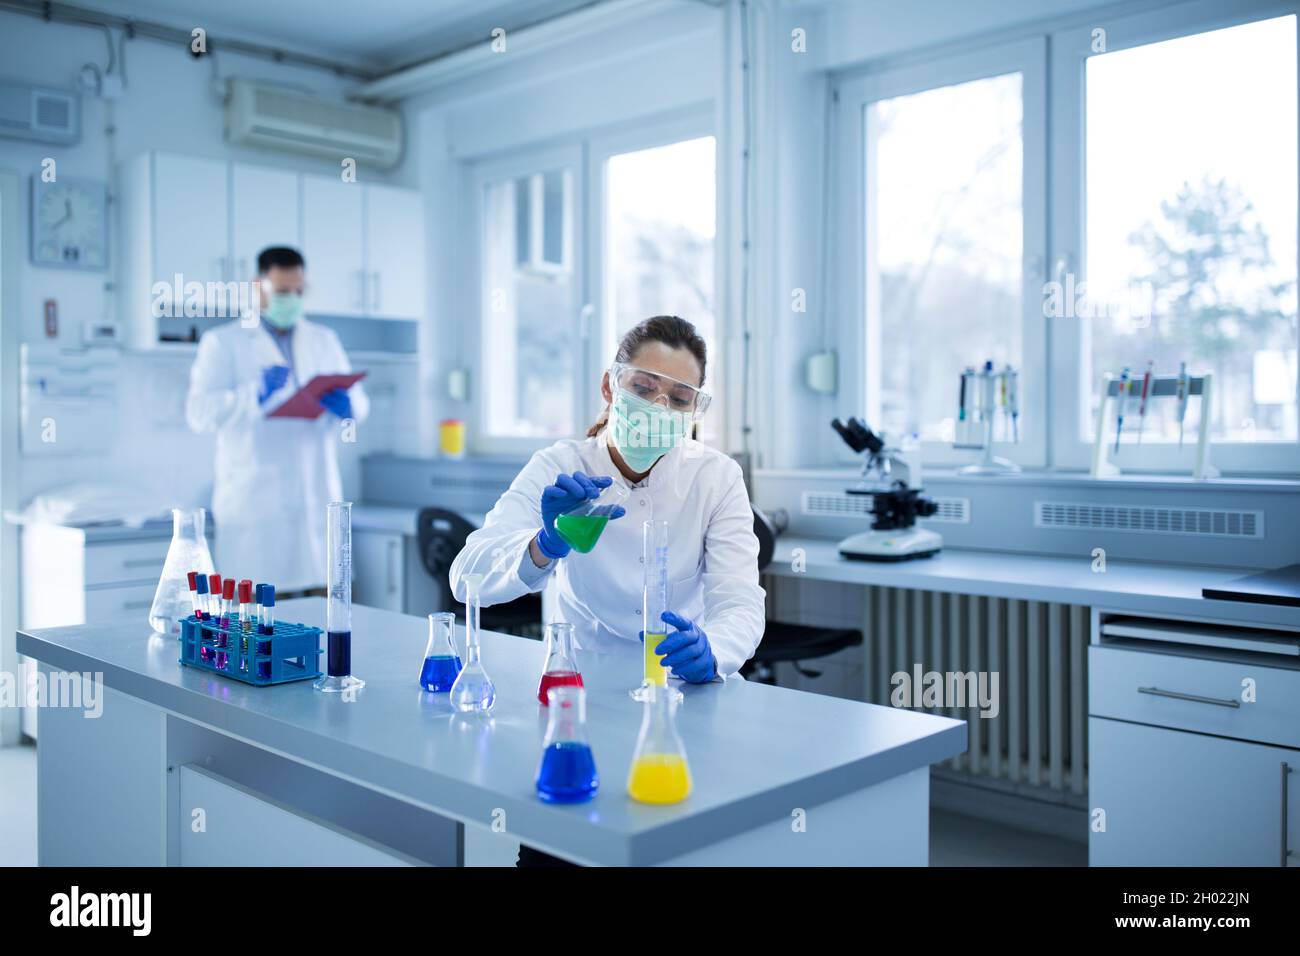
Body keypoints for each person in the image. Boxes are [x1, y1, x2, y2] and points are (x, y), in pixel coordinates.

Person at [450, 314, 765, 682]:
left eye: (679, 399)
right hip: (583, 679)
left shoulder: (715, 476)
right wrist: (545, 545)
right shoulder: (560, 465)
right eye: (644, 388)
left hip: (680, 682)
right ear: (609, 386)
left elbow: (738, 599)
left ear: (694, 410)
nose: (658, 409)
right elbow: (466, 579)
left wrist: (714, 651)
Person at [186, 246, 369, 594]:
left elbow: (358, 401)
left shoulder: (323, 340)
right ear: (258, 286)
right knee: (260, 623)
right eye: (283, 292)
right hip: (257, 507)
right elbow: (199, 413)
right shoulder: (223, 342)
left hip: (314, 496)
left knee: (323, 615)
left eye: (299, 292)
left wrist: (350, 408)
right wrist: (253, 393)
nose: (292, 300)